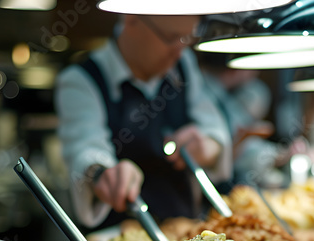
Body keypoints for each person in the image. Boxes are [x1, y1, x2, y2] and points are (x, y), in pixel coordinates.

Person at [54, 15, 232, 228]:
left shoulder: (183, 64)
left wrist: (207, 146)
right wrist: (103, 173)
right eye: (171, 37)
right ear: (131, 19)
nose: (179, 49)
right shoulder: (81, 80)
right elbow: (85, 149)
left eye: (187, 39)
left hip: (185, 229)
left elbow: (213, 126)